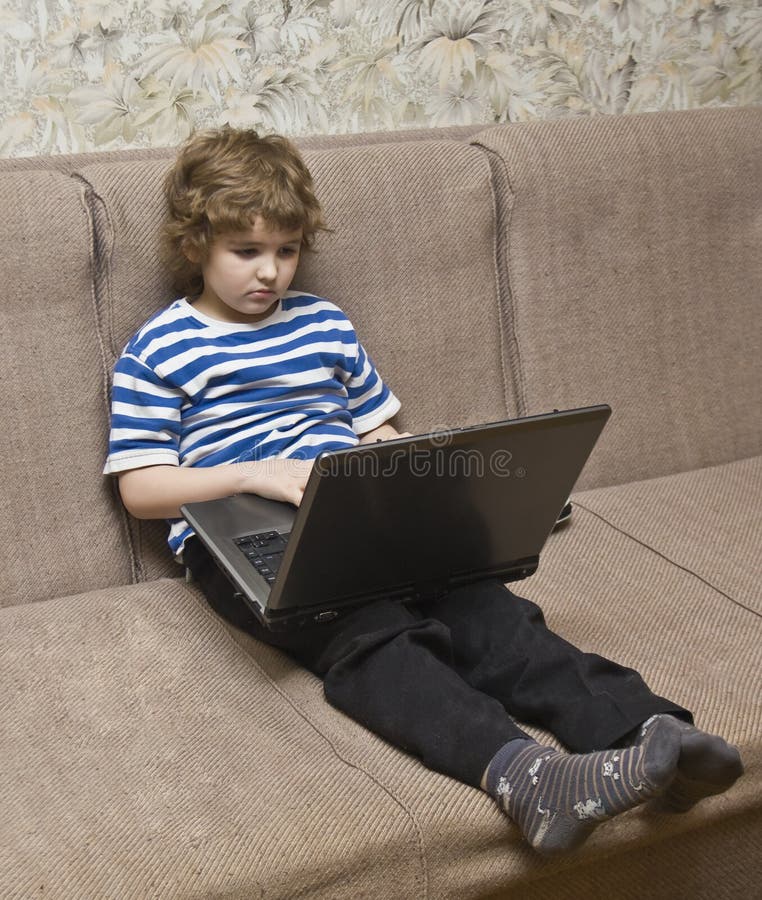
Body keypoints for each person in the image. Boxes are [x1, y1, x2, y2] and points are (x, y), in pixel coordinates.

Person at [104, 127, 743, 857]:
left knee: (491, 613)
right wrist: (256, 474)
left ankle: (650, 735)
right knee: (374, 635)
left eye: (286, 250)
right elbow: (142, 489)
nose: (271, 272)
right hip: (246, 539)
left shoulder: (324, 325)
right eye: (246, 252)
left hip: (363, 517)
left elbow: (379, 432)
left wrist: (429, 480)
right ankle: (526, 776)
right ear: (195, 246)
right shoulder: (159, 348)